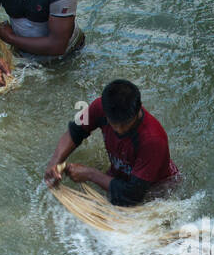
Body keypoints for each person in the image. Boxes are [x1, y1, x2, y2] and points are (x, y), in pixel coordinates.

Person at [43, 80, 178, 206]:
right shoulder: (100, 107)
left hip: (154, 192)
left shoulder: (153, 140)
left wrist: (91, 174)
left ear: (138, 111)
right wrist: (54, 162)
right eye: (114, 124)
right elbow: (75, 131)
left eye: (125, 125)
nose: (119, 130)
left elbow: (133, 195)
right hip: (120, 177)